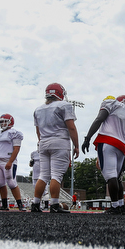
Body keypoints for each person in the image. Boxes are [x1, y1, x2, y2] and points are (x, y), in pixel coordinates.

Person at [81, 95, 125, 215]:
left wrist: (88, 137)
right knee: (117, 177)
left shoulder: (112, 103)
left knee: (110, 176)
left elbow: (99, 119)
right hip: (122, 148)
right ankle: (121, 206)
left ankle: (115, 206)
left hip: (108, 142)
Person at [32, 83, 79, 213]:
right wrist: (76, 145)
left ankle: (35, 204)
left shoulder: (38, 109)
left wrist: (42, 142)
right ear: (59, 93)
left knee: (43, 175)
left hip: (44, 143)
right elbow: (71, 127)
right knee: (56, 175)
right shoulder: (64, 105)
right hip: (59, 142)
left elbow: (38, 132)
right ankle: (54, 205)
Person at [0, 114, 24, 211]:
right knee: (0, 183)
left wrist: (10, 161)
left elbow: (16, 149)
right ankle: (4, 205)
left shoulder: (14, 133)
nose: (2, 123)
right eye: (1, 122)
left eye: (4, 121)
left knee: (11, 183)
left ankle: (20, 204)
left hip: (8, 161)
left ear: (10, 122)